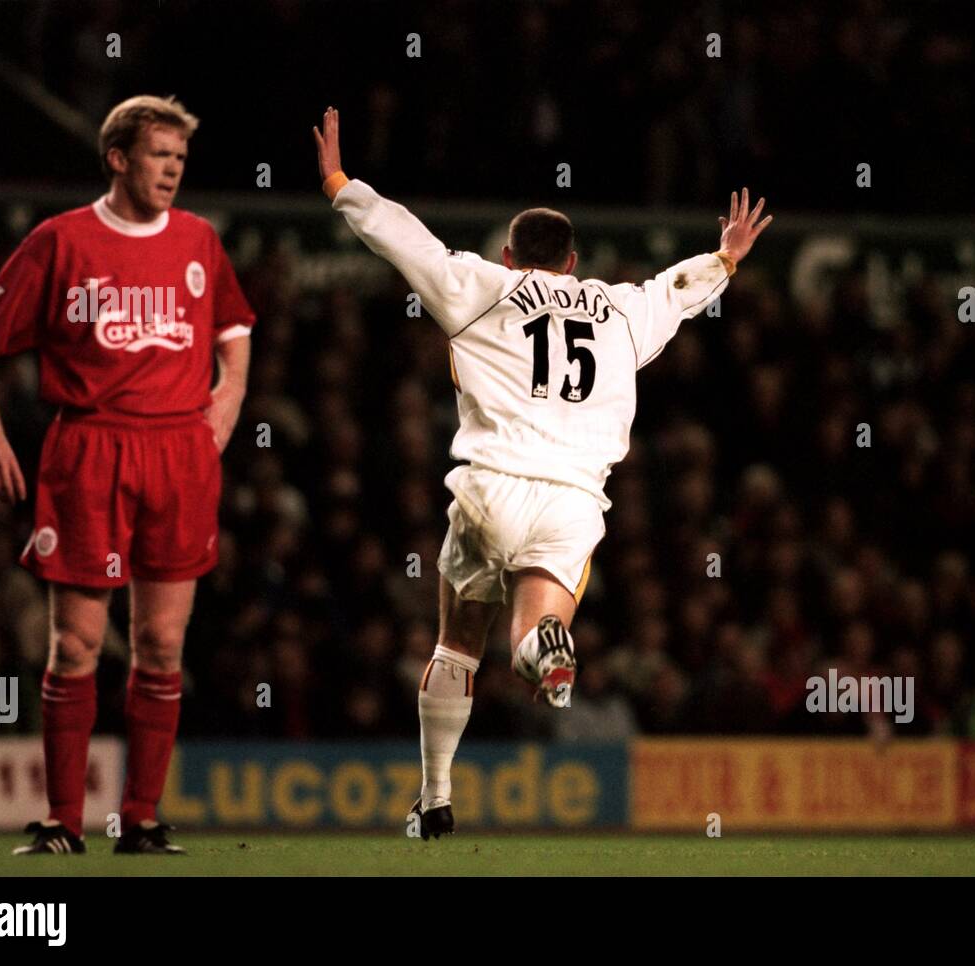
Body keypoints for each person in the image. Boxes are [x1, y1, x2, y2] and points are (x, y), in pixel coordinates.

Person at [313, 106, 771, 839]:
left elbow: (404, 238)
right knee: (535, 623)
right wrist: (727, 259)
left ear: (507, 253)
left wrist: (342, 183)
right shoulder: (617, 309)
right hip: (573, 500)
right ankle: (540, 650)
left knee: (457, 641)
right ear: (573, 265)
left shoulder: (480, 285)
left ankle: (434, 798)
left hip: (492, 484)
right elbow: (675, 292)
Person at [0, 95, 255, 855]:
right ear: (118, 158)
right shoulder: (60, 241)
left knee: (160, 646)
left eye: (180, 160)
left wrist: (226, 405)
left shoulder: (198, 240)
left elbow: (235, 329)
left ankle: (143, 819)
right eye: (160, 156)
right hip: (89, 452)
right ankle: (62, 821)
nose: (172, 171)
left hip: (177, 454)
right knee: (78, 646)